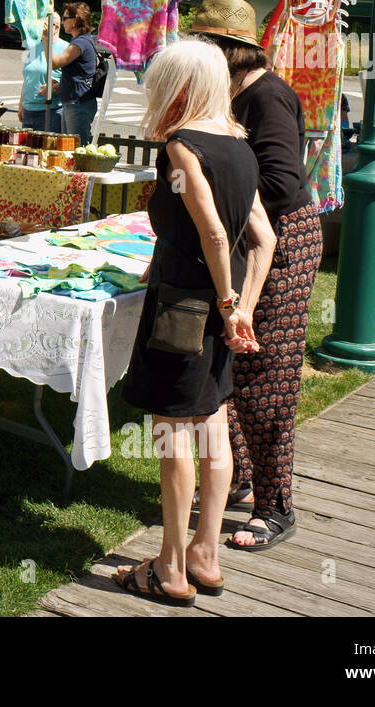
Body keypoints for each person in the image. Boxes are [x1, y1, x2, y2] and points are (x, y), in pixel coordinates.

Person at [112, 39, 276, 605]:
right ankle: (205, 554)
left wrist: (232, 304)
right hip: (221, 312)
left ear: (179, 85)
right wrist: (243, 306)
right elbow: (263, 237)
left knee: (174, 431)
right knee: (212, 425)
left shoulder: (182, 148)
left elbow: (209, 230)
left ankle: (170, 566)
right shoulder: (239, 144)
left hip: (184, 308)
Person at [192, 0, 323, 550]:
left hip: (283, 246)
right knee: (233, 366)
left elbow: (282, 183)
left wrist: (216, 195)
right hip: (254, 241)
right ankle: (240, 478)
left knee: (267, 378)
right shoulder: (240, 93)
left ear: (229, 50)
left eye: (205, 46)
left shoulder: (267, 96)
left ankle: (276, 507)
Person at [52, 2, 110, 142]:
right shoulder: (80, 41)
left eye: (65, 18)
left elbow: (54, 63)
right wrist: (60, 86)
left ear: (75, 20)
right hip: (75, 103)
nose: (63, 22)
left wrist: (48, 38)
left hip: (78, 104)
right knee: (69, 148)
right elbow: (78, 73)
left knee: (75, 149)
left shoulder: (80, 43)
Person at [18, 15, 65, 131]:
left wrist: (56, 87)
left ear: (56, 28)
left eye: (45, 25)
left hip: (50, 111)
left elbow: (71, 80)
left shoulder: (65, 48)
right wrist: (21, 104)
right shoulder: (35, 47)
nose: (41, 28)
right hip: (28, 110)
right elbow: (28, 77)